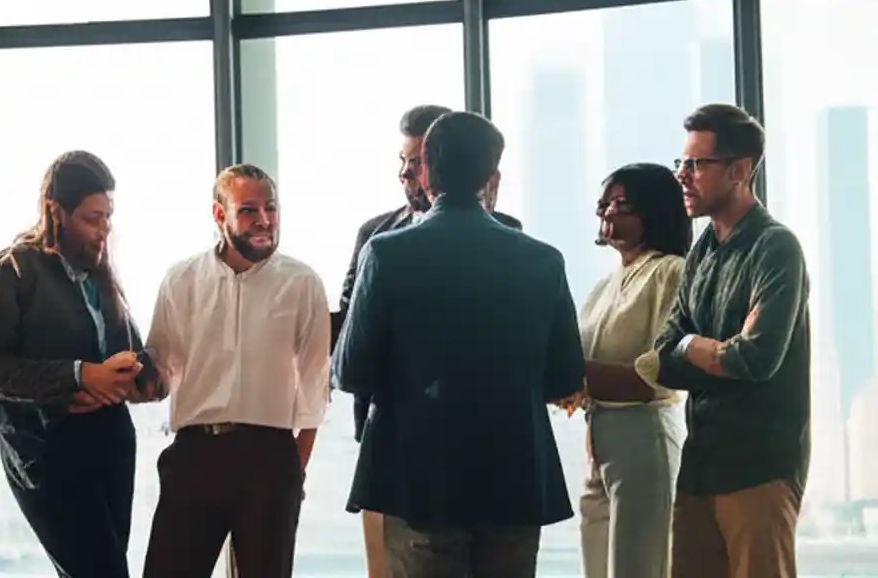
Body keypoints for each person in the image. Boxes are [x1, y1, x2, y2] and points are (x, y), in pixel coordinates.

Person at [335, 112, 585, 578]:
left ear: (425, 170)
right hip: (515, 477)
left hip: (419, 478)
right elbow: (566, 377)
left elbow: (351, 371)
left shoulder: (387, 253)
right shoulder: (543, 261)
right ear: (492, 177)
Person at [635, 104, 810, 578]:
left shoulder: (775, 248)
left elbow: (756, 358)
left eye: (695, 164)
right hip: (699, 469)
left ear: (739, 170)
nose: (682, 176)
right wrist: (703, 349)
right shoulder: (701, 253)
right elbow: (663, 358)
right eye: (681, 163)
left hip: (758, 470)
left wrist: (691, 346)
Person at [141, 164, 331, 577]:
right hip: (194, 457)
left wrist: (291, 472)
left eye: (271, 208)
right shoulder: (181, 280)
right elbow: (161, 371)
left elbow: (316, 389)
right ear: (219, 214)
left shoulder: (303, 284)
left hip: (270, 459)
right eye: (248, 210)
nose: (264, 220)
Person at [0, 151, 151, 578]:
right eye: (93, 218)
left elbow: (134, 350)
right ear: (56, 212)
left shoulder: (100, 275)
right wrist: (78, 374)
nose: (103, 230)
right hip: (46, 448)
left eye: (107, 218)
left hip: (110, 440)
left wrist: (138, 374)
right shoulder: (11, 271)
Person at [574, 163, 691, 578]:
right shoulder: (604, 286)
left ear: (654, 211)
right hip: (598, 436)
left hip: (642, 434)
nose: (609, 212)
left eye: (622, 204)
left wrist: (566, 372)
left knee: (638, 567)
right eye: (604, 203)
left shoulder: (671, 272)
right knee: (598, 566)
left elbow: (651, 378)